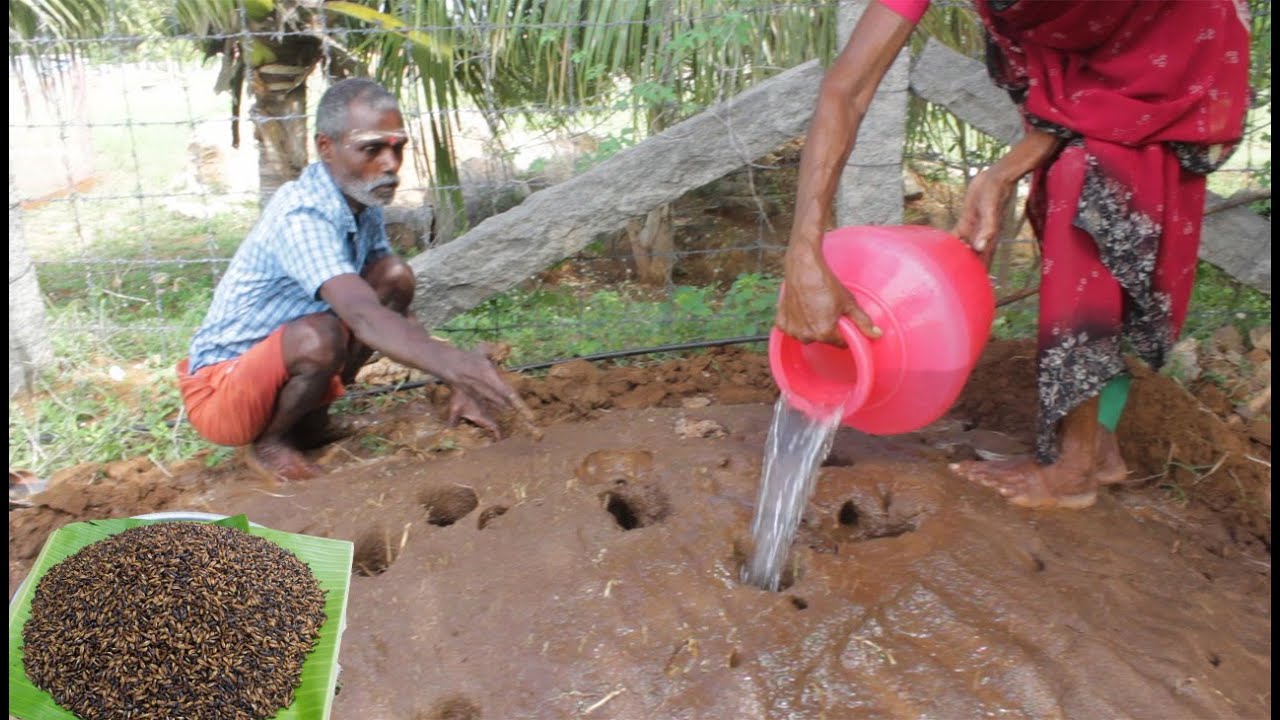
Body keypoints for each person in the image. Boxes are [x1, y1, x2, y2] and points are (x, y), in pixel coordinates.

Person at [776, 0, 1249, 508]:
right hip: (1105, 80)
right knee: (1072, 201)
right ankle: (1098, 444)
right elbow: (846, 89)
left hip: (1176, 50)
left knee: (1087, 188)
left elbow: (1116, 85)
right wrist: (804, 252)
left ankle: (1073, 471)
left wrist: (1008, 169)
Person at [178, 78, 533, 481]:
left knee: (393, 277)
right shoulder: (303, 215)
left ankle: (311, 423)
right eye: (372, 148)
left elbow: (391, 304)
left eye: (397, 147)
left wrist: (457, 382)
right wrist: (454, 363)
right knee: (321, 334)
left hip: (276, 359)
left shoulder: (360, 202)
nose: (390, 164)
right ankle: (270, 443)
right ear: (326, 147)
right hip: (221, 391)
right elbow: (362, 315)